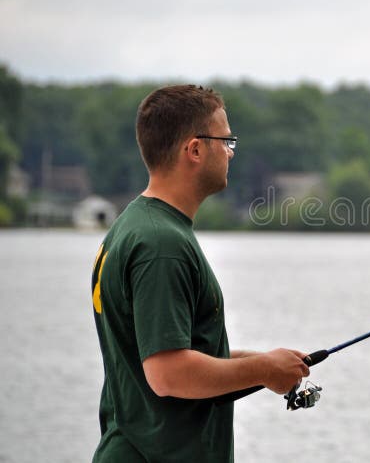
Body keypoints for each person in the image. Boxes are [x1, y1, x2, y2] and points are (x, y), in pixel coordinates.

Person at [90, 85, 310, 462]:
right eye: (226, 141)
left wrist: (264, 365)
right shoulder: (161, 244)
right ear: (194, 149)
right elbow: (168, 373)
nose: (230, 153)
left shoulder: (134, 226)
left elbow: (181, 353)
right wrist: (262, 369)